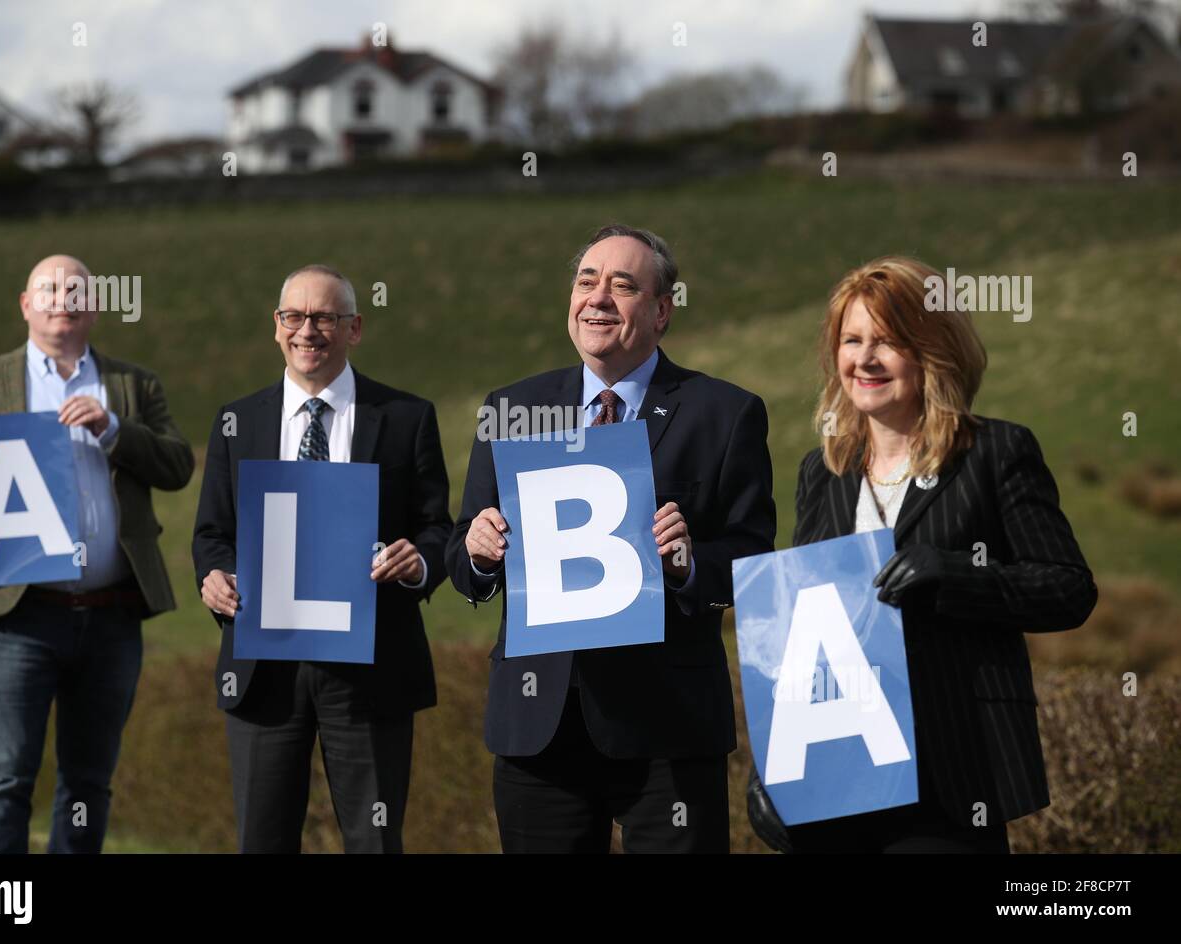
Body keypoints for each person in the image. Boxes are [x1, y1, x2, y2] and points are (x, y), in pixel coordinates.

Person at [748, 255, 1097, 854]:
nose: (865, 359)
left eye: (887, 341)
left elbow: (1068, 589)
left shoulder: (996, 452)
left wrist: (957, 574)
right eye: (851, 340)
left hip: (950, 775)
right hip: (835, 775)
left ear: (932, 349)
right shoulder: (821, 472)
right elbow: (805, 631)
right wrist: (775, 769)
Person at [447, 224, 775, 853]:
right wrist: (477, 552)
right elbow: (463, 561)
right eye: (585, 281)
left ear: (661, 311)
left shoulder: (724, 413)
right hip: (539, 729)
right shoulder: (512, 408)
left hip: (668, 728)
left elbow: (754, 561)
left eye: (622, 286)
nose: (596, 298)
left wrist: (686, 565)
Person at [0, 254, 195, 853]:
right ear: (25, 304)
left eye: (75, 289)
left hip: (113, 614)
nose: (61, 297)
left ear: (94, 307)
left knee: (90, 782)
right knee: (4, 777)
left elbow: (177, 466)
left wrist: (115, 429)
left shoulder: (132, 385)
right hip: (17, 615)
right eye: (48, 288)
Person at [192, 264, 453, 853]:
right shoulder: (238, 421)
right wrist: (212, 578)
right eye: (294, 317)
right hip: (263, 666)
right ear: (276, 326)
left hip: (372, 664)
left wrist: (418, 561)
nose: (307, 331)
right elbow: (212, 532)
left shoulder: (408, 418)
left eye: (324, 318)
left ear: (354, 328)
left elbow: (438, 529)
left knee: (375, 842)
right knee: (263, 841)